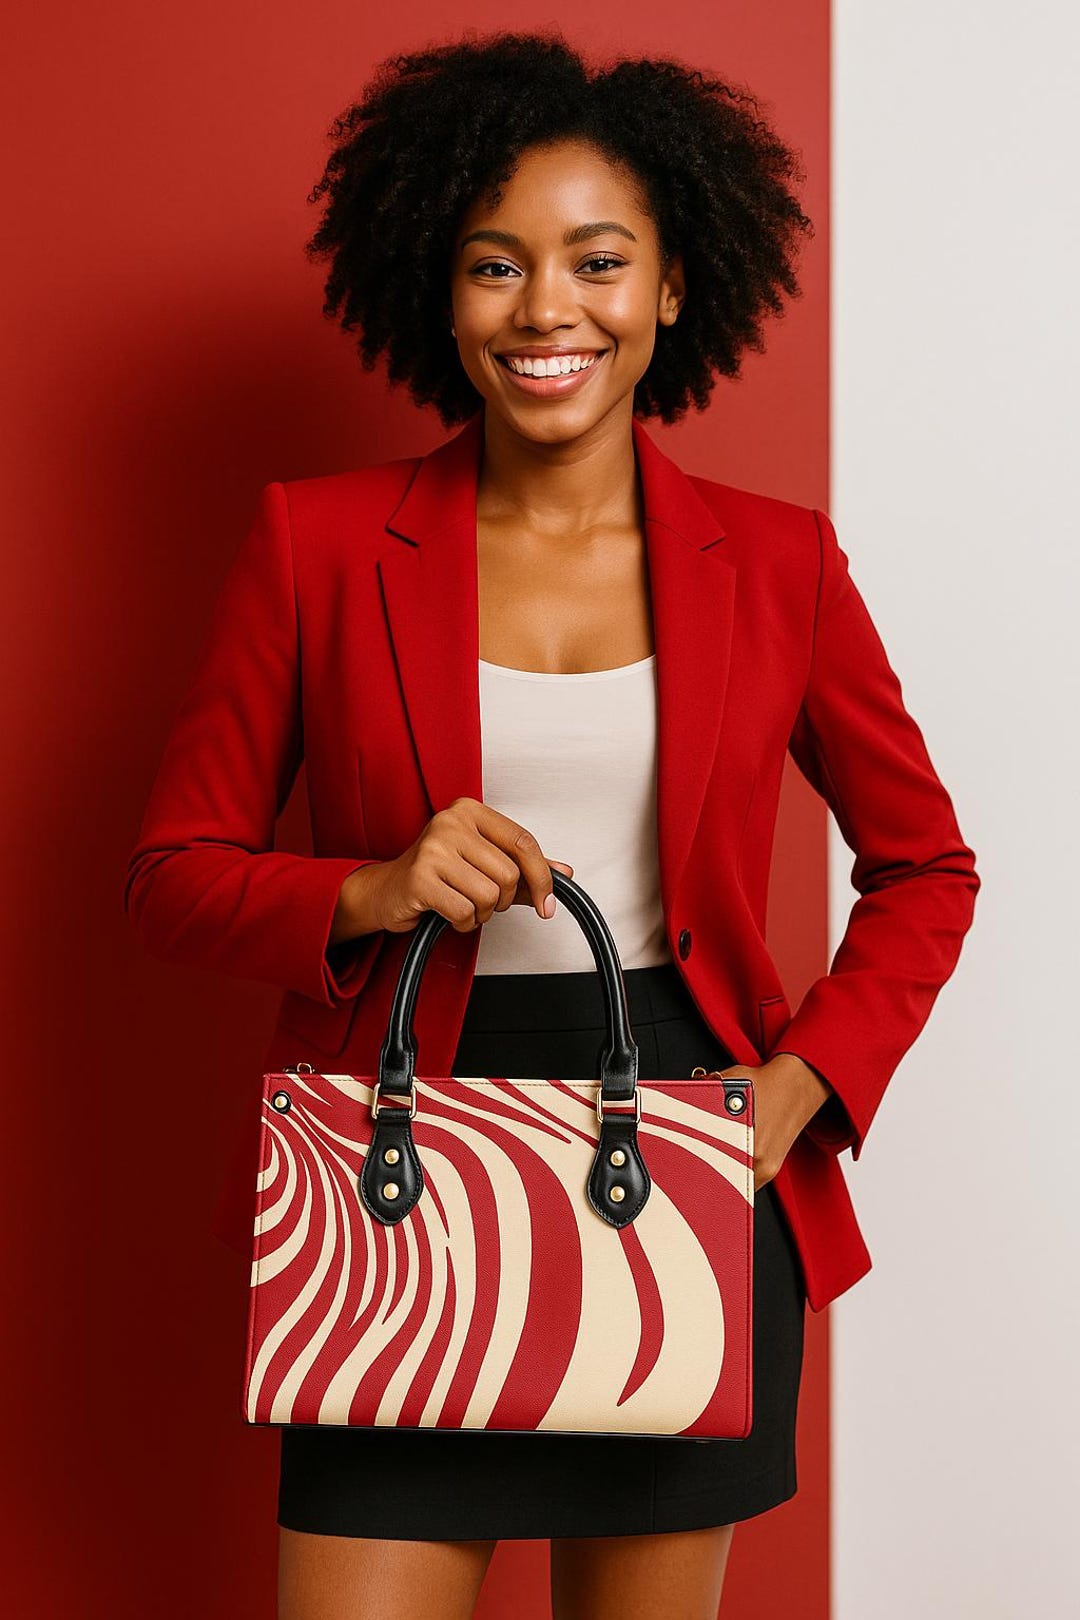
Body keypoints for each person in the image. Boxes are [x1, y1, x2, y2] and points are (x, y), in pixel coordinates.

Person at [123, 29, 980, 1620]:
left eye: (598, 262)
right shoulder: (315, 545)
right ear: (439, 291)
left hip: (677, 1152)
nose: (546, 312)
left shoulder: (779, 560)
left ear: (670, 289)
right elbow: (170, 879)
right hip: (399, 1160)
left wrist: (806, 1085)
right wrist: (369, 886)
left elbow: (928, 863)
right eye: (495, 266)